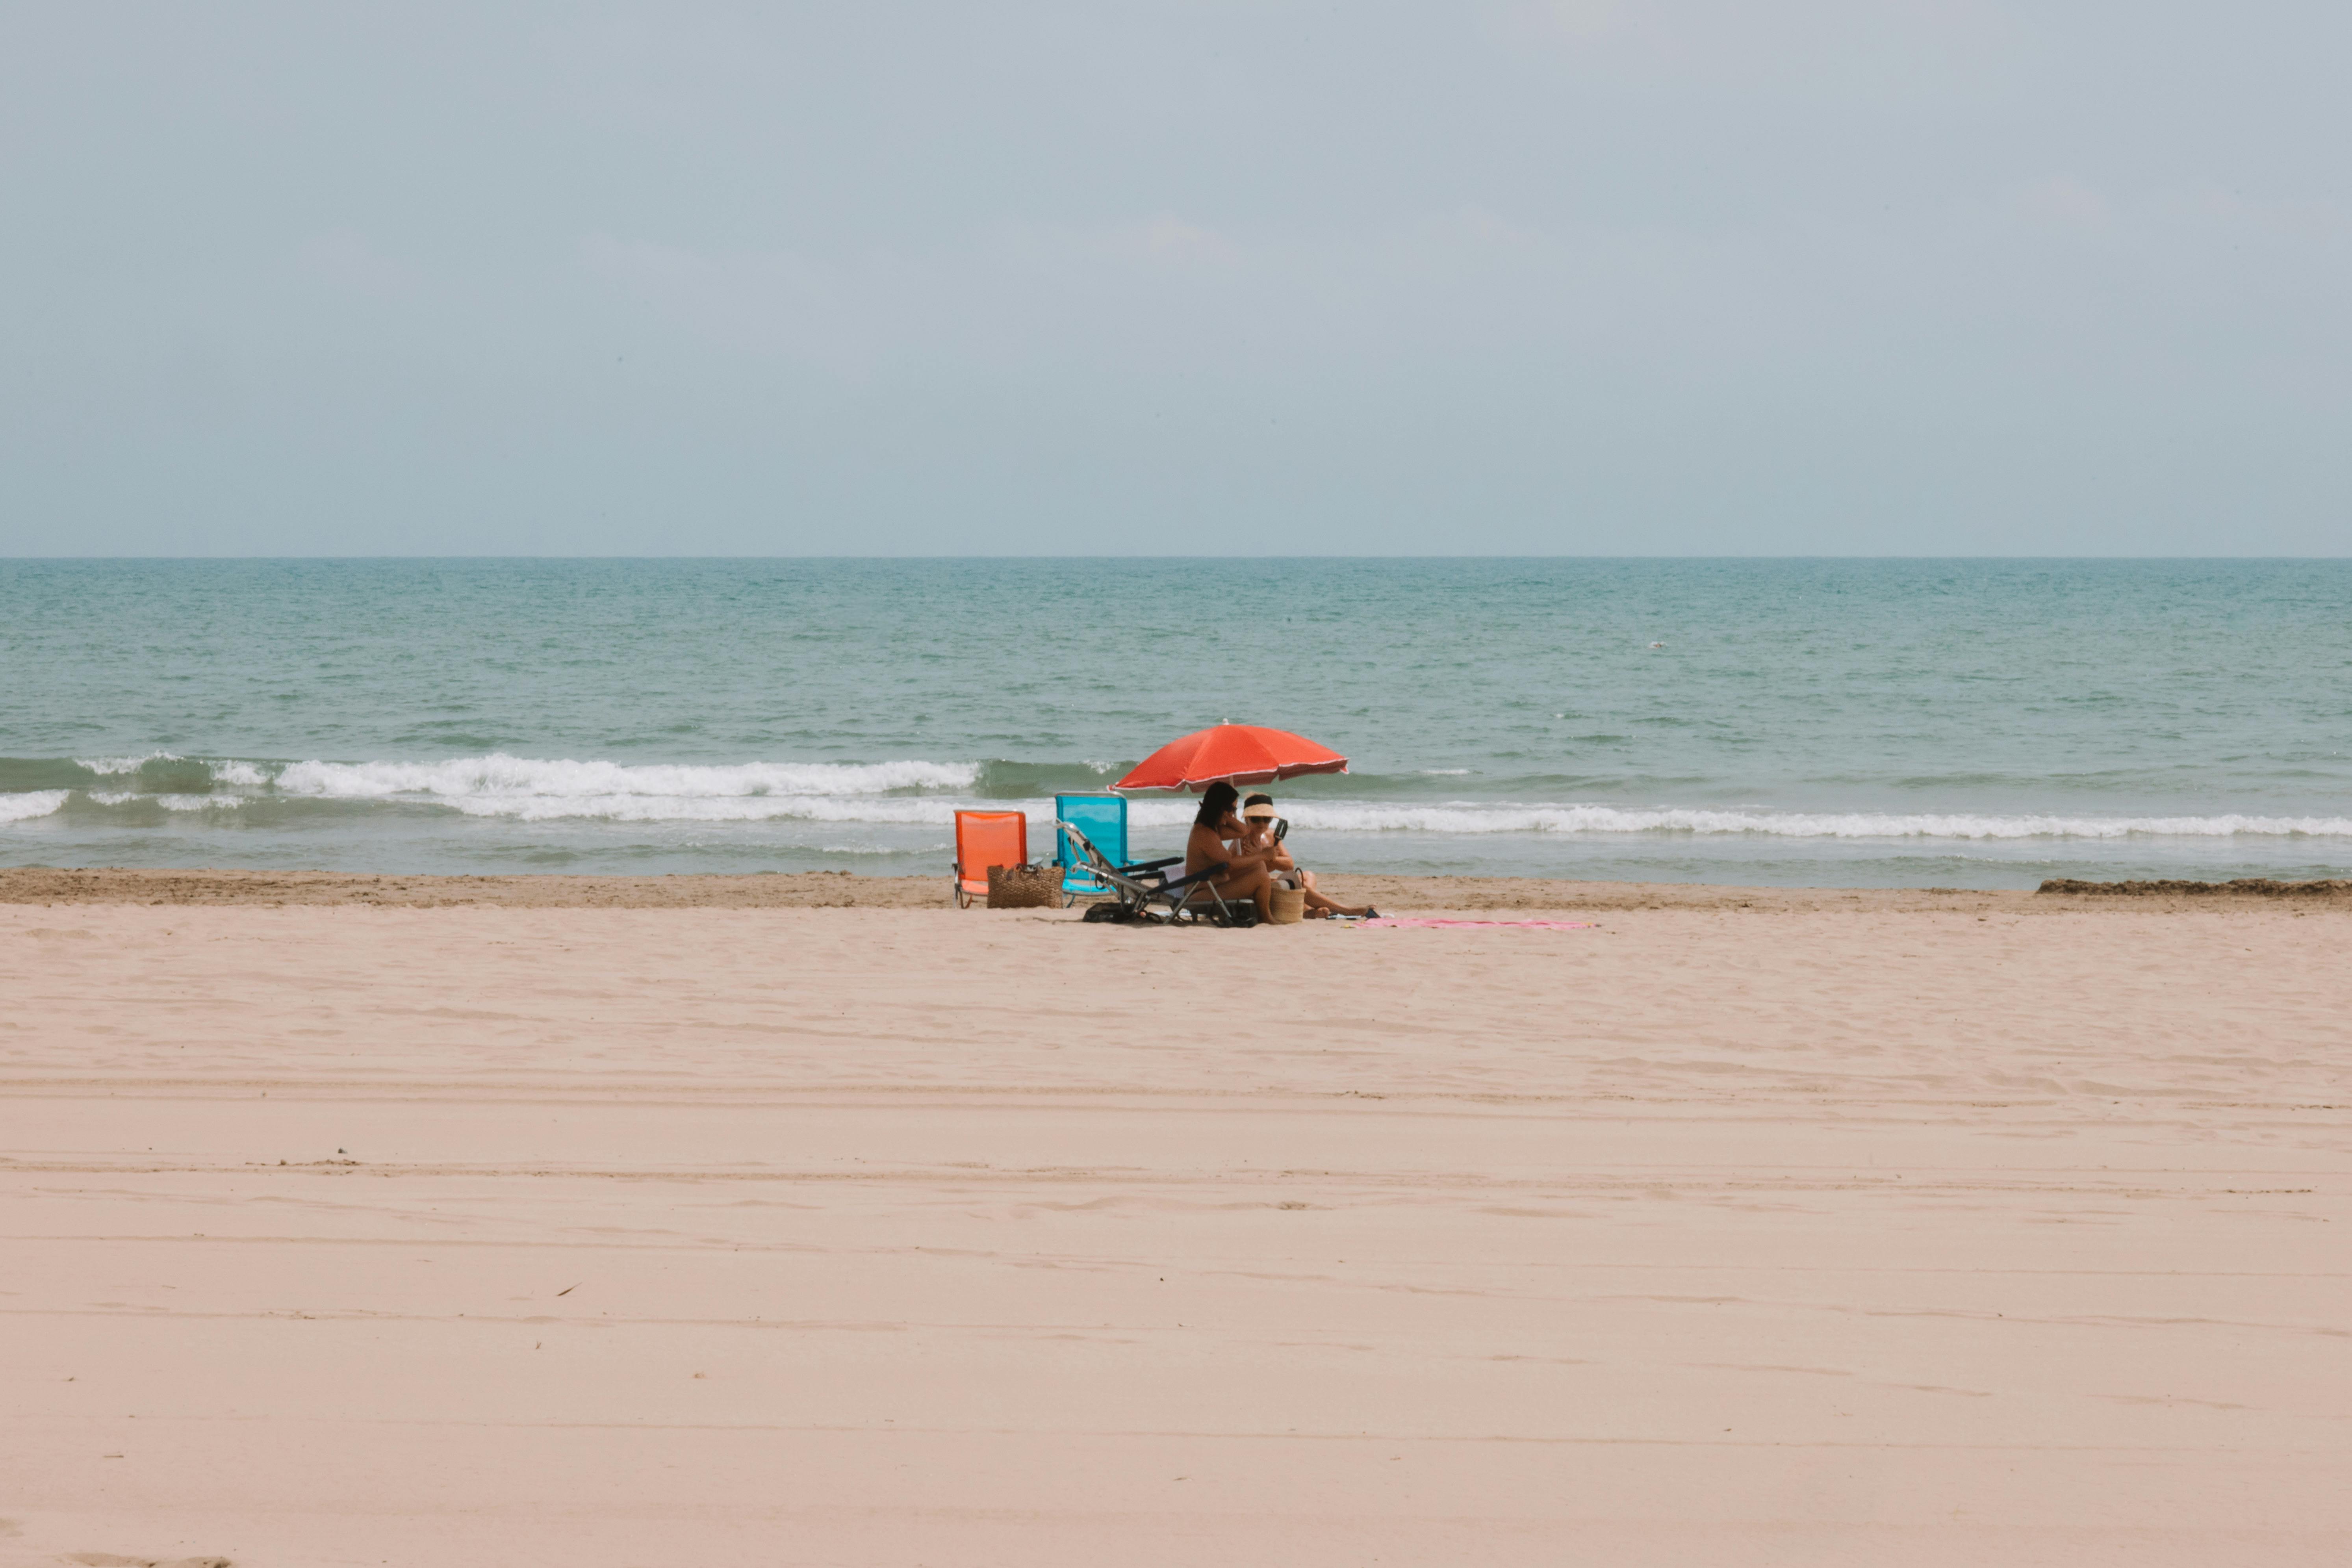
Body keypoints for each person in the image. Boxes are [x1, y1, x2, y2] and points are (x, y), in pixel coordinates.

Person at [1236, 793, 1377, 919]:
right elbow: (1248, 872)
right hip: (1258, 891)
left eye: (1266, 819)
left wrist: (1267, 858)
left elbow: (1289, 864)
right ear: (1247, 819)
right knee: (1294, 884)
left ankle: (1307, 910)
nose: (1262, 823)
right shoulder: (1242, 842)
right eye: (1256, 819)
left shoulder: (1271, 836)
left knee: (1309, 876)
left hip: (1268, 882)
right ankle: (1345, 910)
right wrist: (1265, 857)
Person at [1183, 780, 1276, 924]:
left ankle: (1264, 916)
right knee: (1260, 875)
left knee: (1259, 867)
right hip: (1200, 895)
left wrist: (1227, 815)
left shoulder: (1213, 829)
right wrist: (1263, 855)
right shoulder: (1203, 833)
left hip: (1215, 888)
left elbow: (1244, 831)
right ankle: (1266, 918)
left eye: (1235, 809)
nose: (1233, 814)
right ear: (1219, 807)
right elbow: (1230, 864)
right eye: (1231, 809)